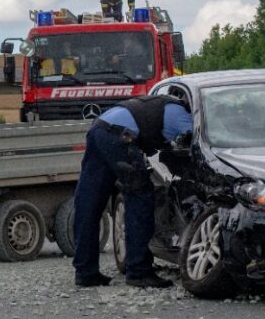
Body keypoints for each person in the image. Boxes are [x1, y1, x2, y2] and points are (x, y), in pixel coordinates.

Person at [71, 92, 193, 288]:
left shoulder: (166, 104)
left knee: (89, 201)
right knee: (140, 197)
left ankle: (85, 272)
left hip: (99, 128)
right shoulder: (185, 117)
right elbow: (197, 149)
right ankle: (139, 271)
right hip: (121, 134)